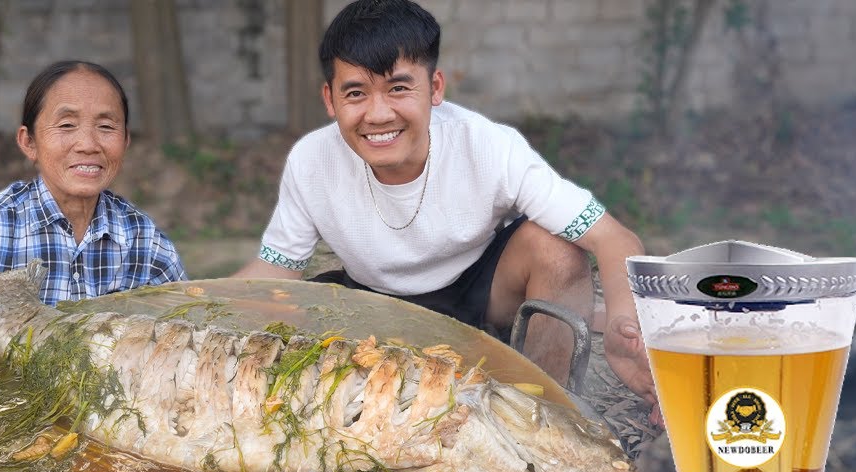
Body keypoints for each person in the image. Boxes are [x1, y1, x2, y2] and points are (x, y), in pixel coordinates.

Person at [233, 0, 657, 418]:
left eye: (399, 88)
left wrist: (623, 321)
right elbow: (277, 268)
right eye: (356, 93)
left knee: (557, 249)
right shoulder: (311, 160)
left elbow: (612, 237)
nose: (378, 114)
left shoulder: (489, 146)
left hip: (478, 288)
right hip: (369, 303)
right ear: (330, 99)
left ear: (435, 88)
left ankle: (542, 413)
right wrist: (184, 302)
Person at [0, 60, 187, 397]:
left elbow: (186, 333)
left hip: (102, 404)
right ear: (29, 142)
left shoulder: (144, 241)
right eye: (66, 124)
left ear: (125, 140)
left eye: (107, 127)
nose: (88, 143)